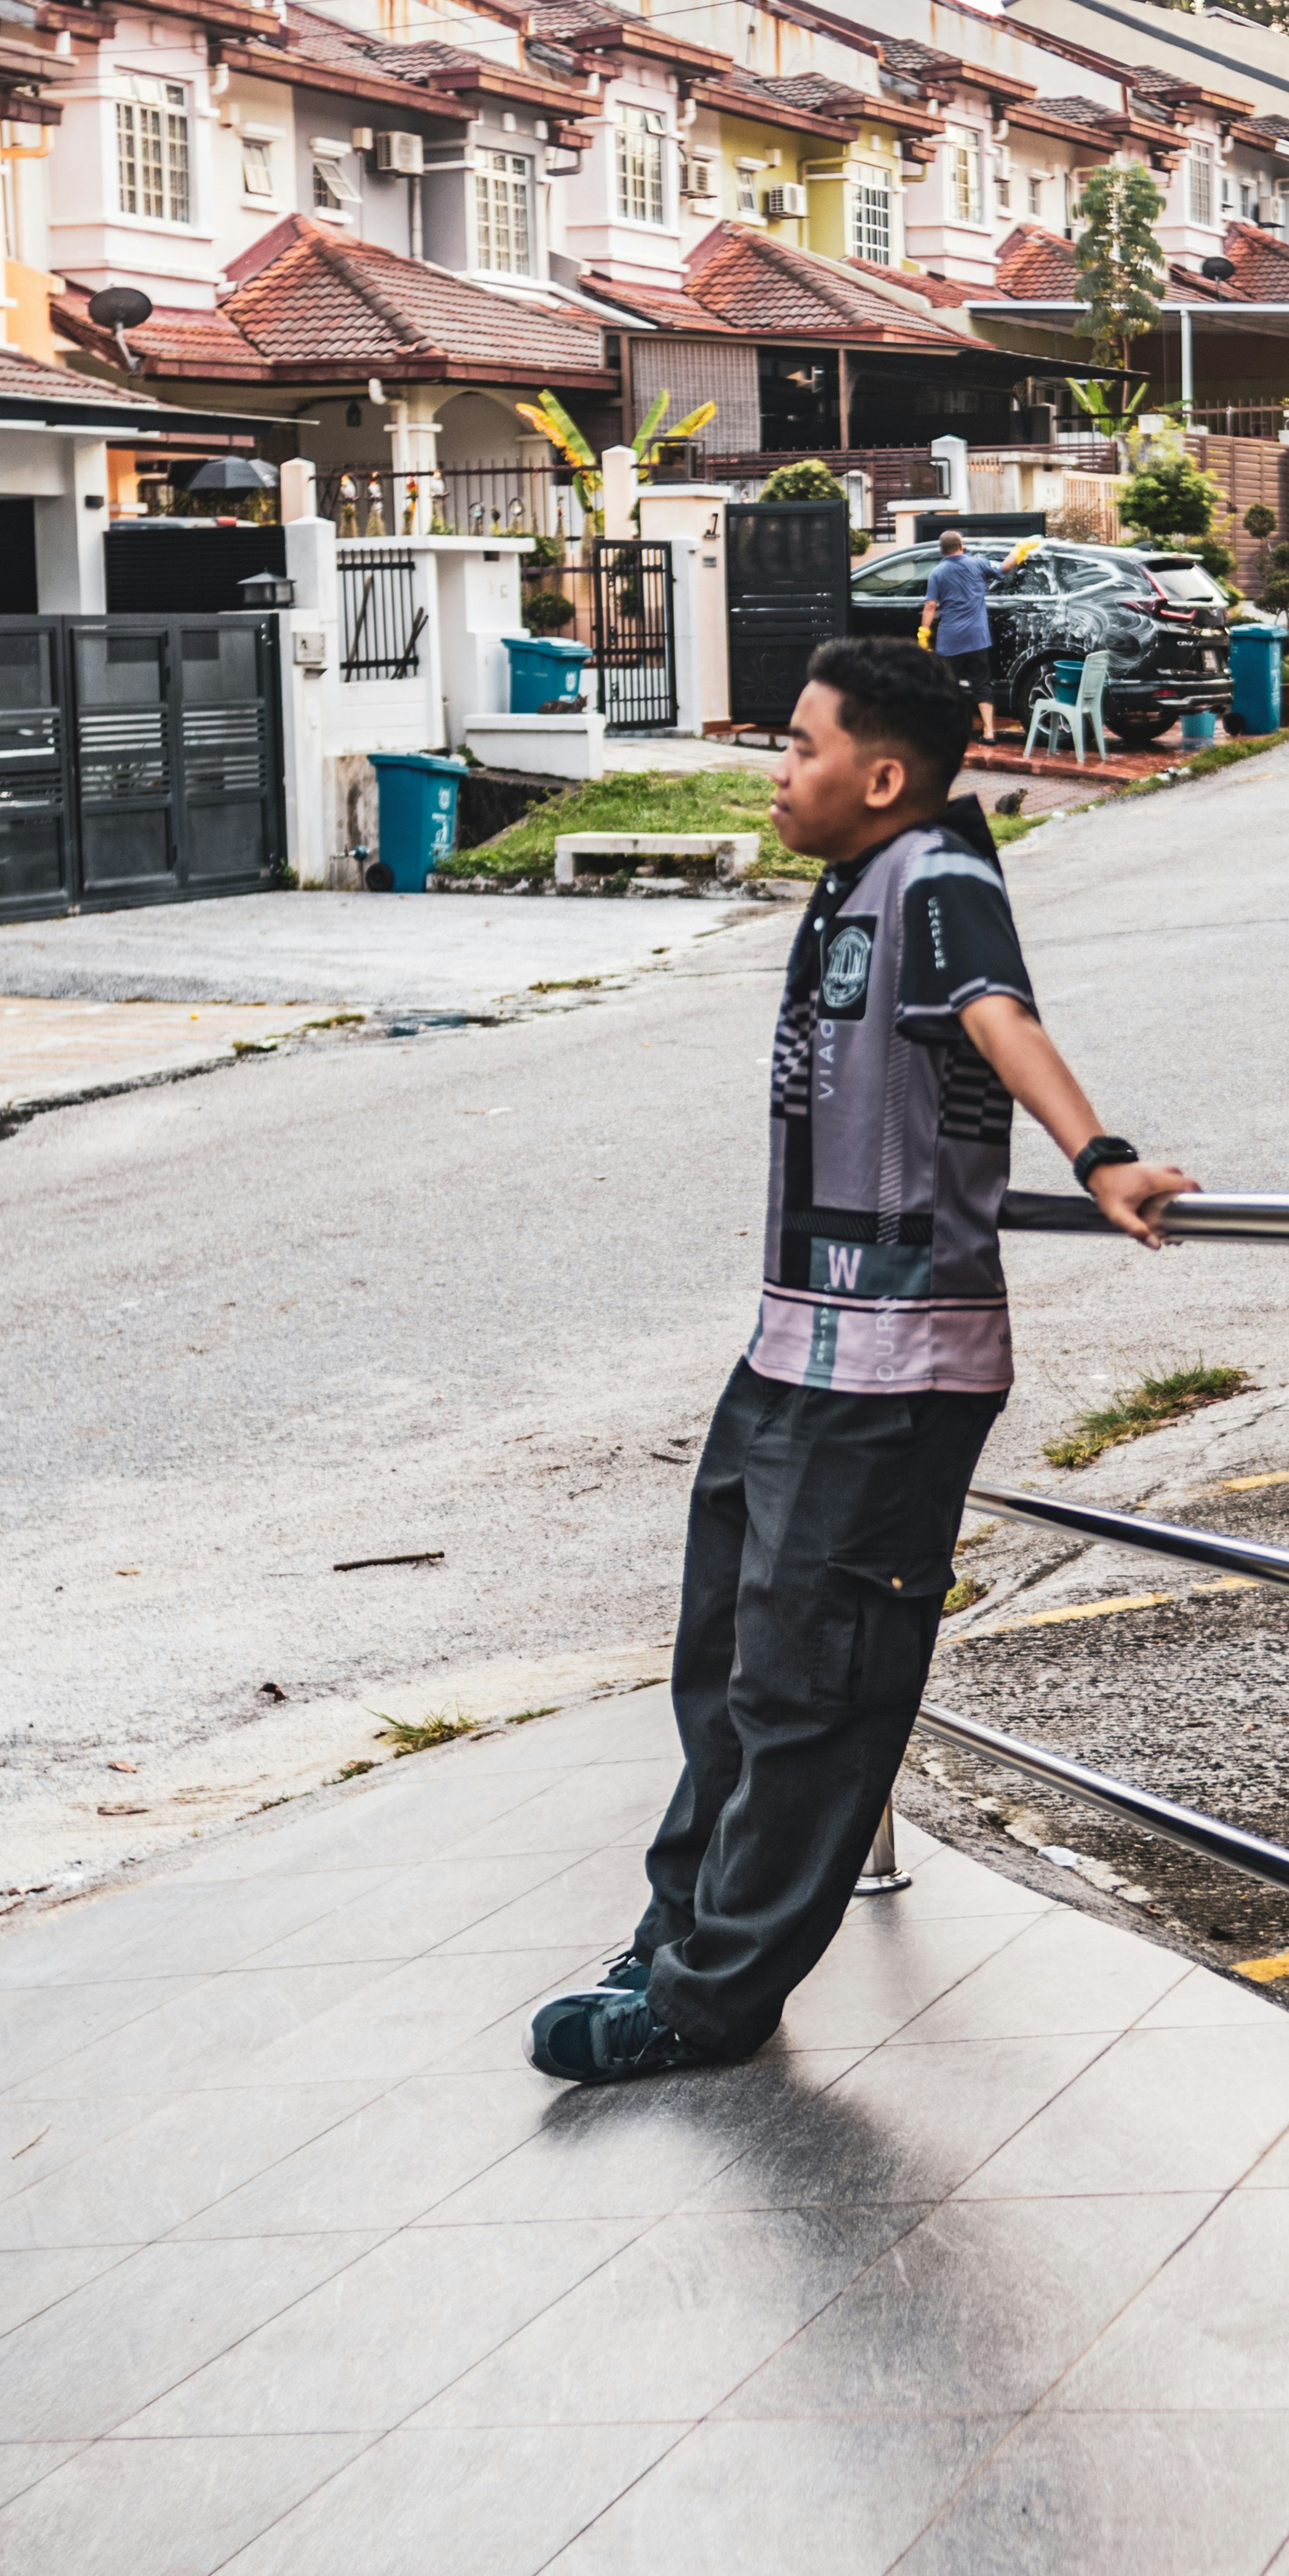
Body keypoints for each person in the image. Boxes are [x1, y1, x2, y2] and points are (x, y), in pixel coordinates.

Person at [526, 637, 1197, 2085]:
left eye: (806, 747)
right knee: (727, 1660)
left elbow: (996, 1011)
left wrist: (1099, 1157)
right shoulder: (854, 875)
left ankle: (711, 2002)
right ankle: (679, 1930)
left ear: (882, 776)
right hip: (797, 1339)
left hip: (897, 1365)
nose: (783, 770)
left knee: (812, 1689)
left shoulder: (938, 875)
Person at [922, 525, 995, 746]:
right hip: (978, 638)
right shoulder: (978, 564)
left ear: (942, 550)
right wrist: (1021, 551)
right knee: (982, 683)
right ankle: (989, 733)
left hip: (951, 640)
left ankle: (948, 732)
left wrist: (923, 632)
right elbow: (1006, 568)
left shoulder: (937, 573)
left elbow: (931, 605)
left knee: (947, 686)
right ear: (962, 547)